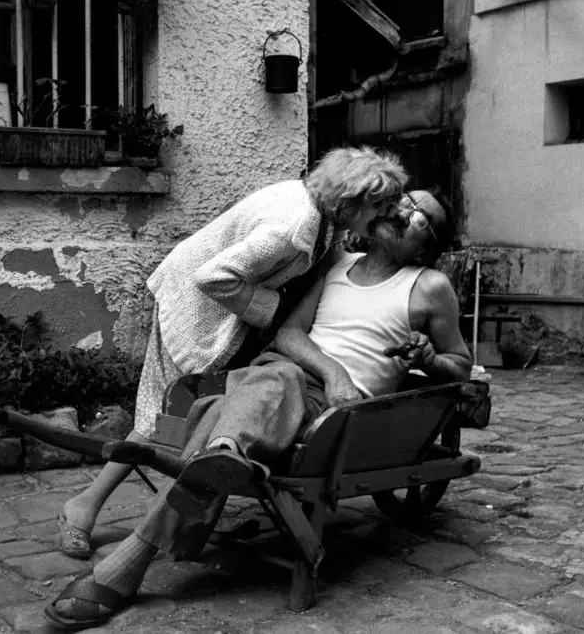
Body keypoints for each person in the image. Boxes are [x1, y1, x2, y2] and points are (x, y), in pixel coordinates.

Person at [44, 190, 473, 629]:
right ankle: (218, 460)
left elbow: (461, 366)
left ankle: (135, 554)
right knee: (231, 398)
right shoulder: (337, 265)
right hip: (277, 386)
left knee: (245, 399)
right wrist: (331, 370)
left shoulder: (430, 288)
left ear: (429, 246)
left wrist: (428, 360)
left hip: (332, 415)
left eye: (421, 217)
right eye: (405, 200)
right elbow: (288, 335)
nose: (405, 212)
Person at [56, 147, 409, 560]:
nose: (383, 216)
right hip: (193, 305)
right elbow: (213, 277)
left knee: (199, 412)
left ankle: (186, 509)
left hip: (220, 307)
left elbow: (324, 257)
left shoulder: (318, 212)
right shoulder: (290, 225)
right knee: (162, 418)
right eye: (378, 207)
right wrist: (273, 312)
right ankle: (85, 506)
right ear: (350, 200)